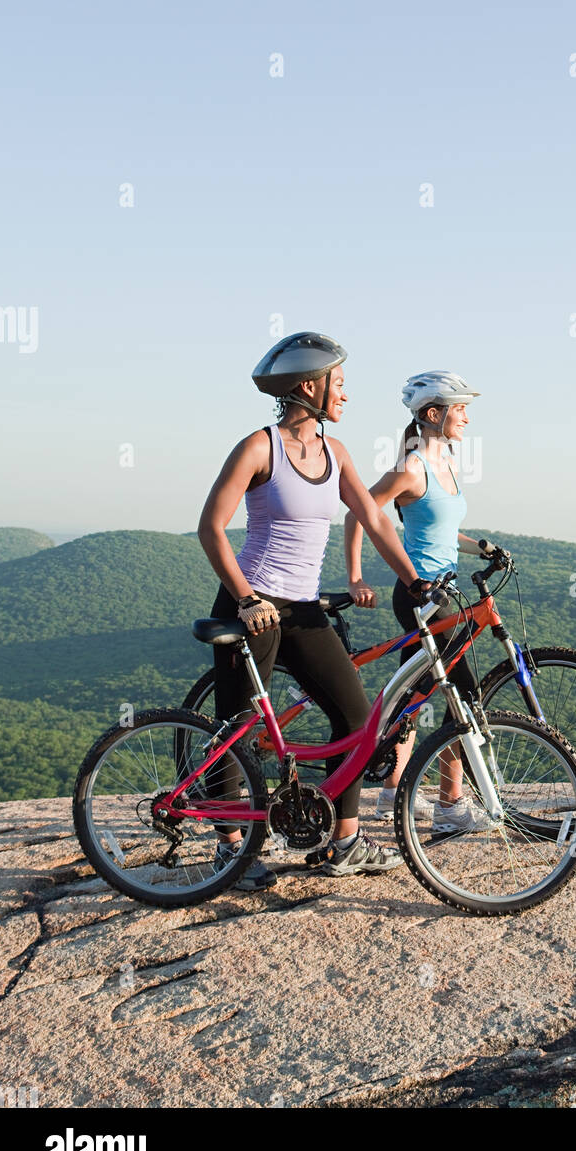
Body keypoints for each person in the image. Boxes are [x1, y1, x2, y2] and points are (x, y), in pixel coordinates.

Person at [197, 331, 429, 889]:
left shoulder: (337, 452)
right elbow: (211, 527)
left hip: (301, 610)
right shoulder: (259, 447)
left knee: (355, 716)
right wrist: (247, 598)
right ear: (309, 386)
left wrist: (415, 582)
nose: (345, 395)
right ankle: (232, 852)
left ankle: (343, 840)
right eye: (339, 385)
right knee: (237, 730)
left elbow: (374, 519)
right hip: (251, 604)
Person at [343, 370, 502, 833]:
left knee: (417, 693)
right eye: (461, 409)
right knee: (463, 698)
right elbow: (360, 513)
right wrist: (355, 578)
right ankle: (450, 808)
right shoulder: (411, 467)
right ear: (434, 414)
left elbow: (440, 530)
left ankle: (393, 793)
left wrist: (482, 548)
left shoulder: (446, 464)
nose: (467, 418)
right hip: (421, 594)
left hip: (444, 591)